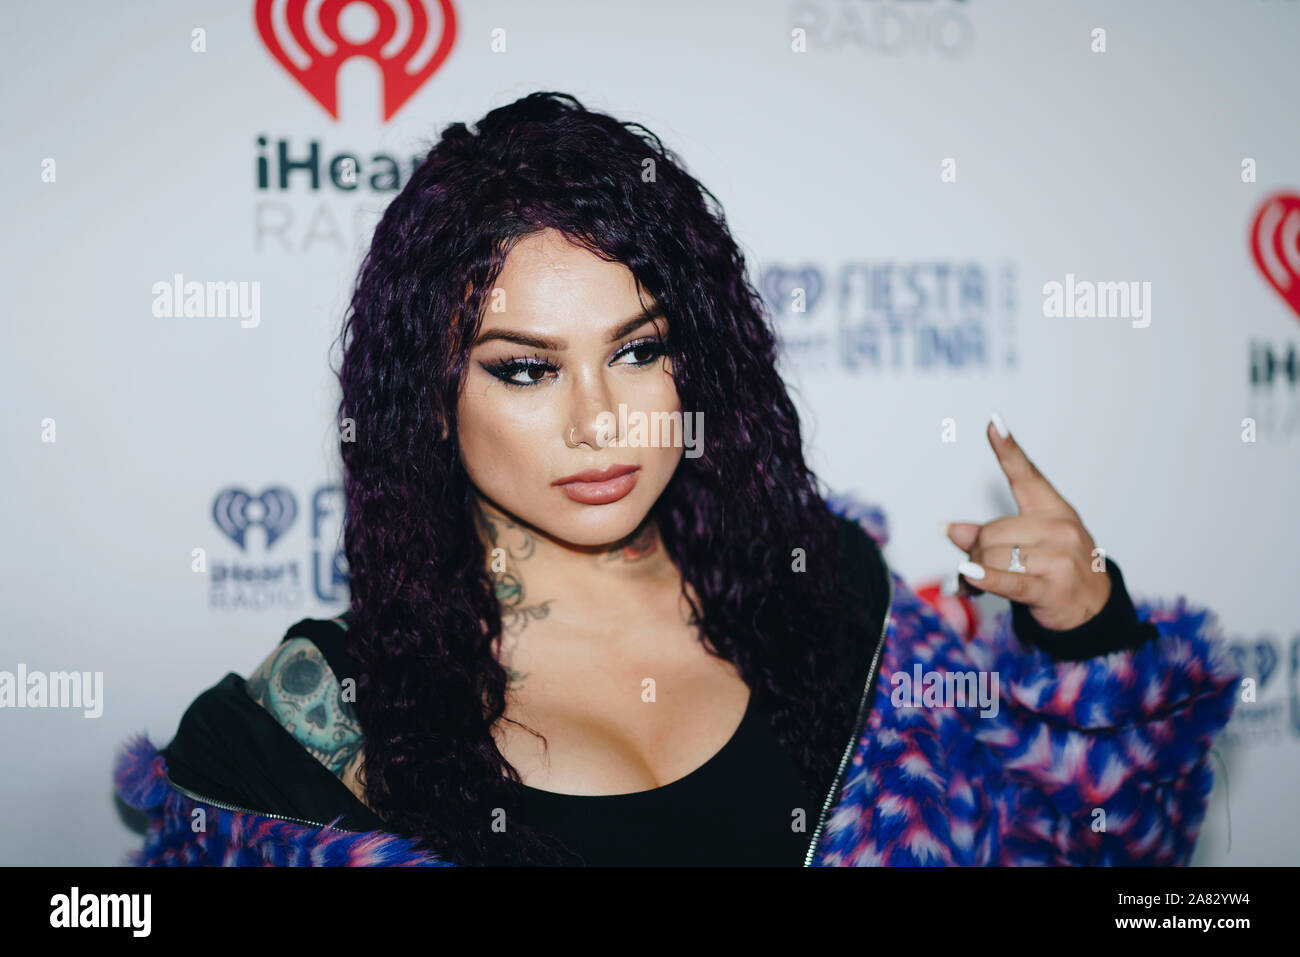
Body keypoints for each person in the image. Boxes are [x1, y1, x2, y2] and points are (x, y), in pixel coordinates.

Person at [114, 92, 1241, 867]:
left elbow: (1097, 855)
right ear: (426, 394)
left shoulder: (834, 601)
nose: (600, 422)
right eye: (523, 368)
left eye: (639, 350)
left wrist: (1087, 636)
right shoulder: (298, 735)